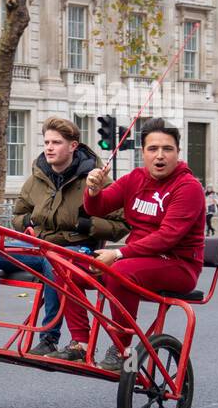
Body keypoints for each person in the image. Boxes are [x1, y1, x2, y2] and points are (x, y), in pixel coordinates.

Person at [0, 117, 127, 357]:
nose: (49, 147)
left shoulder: (96, 179)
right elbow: (17, 216)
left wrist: (83, 224)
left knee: (54, 260)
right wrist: (29, 222)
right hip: (37, 246)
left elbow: (121, 224)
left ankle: (49, 338)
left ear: (73, 146)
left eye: (56, 142)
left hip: (75, 250)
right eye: (47, 141)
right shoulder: (36, 179)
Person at [83, 118, 206, 371]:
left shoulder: (188, 187)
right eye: (153, 149)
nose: (160, 156)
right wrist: (93, 190)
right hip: (137, 258)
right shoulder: (135, 178)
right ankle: (79, 343)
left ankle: (123, 349)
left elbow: (167, 237)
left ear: (178, 153)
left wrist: (118, 253)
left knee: (119, 272)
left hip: (178, 265)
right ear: (143, 153)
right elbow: (98, 207)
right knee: (70, 266)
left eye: (167, 149)